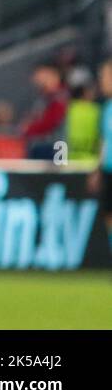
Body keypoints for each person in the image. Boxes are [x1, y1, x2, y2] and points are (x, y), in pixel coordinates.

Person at [87, 59, 112, 258]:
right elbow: (104, 141)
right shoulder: (106, 109)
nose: (102, 82)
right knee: (108, 216)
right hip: (108, 171)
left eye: (106, 77)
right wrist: (97, 169)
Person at [19, 60, 69, 160]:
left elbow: (51, 121)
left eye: (39, 74)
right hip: (44, 147)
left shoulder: (60, 96)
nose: (36, 78)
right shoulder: (45, 97)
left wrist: (29, 129)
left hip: (56, 149)